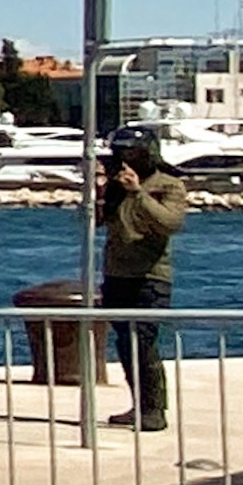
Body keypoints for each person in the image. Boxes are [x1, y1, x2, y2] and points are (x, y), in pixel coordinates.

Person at [99, 130, 189, 431]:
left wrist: (138, 193)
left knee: (143, 342)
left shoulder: (168, 184)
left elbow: (171, 223)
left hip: (150, 276)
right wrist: (100, 190)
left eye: (132, 154)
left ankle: (155, 408)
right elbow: (98, 220)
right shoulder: (115, 185)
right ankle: (139, 403)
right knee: (126, 344)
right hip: (117, 273)